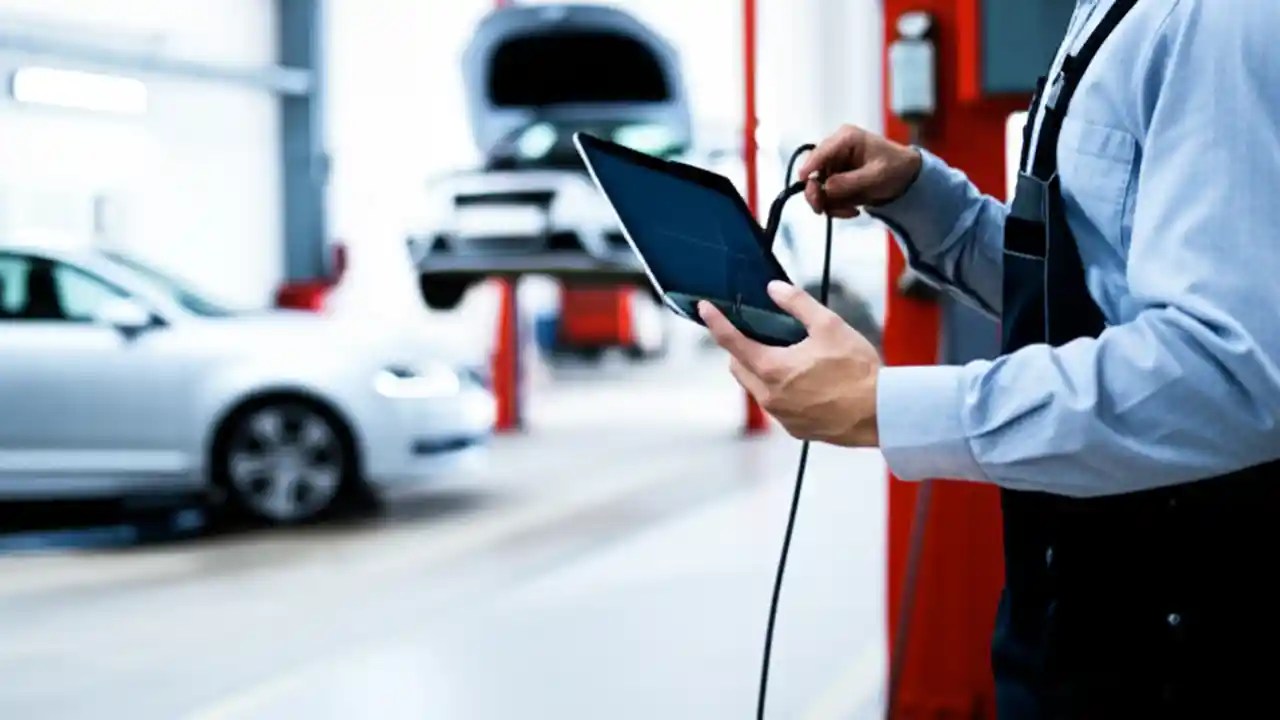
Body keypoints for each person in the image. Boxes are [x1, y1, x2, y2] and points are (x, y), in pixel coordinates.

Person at [698, 0, 1280, 716]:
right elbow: (1092, 289)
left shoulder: (1220, 20)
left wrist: (886, 405)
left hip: (1176, 624)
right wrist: (923, 199)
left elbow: (1228, 373)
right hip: (1077, 585)